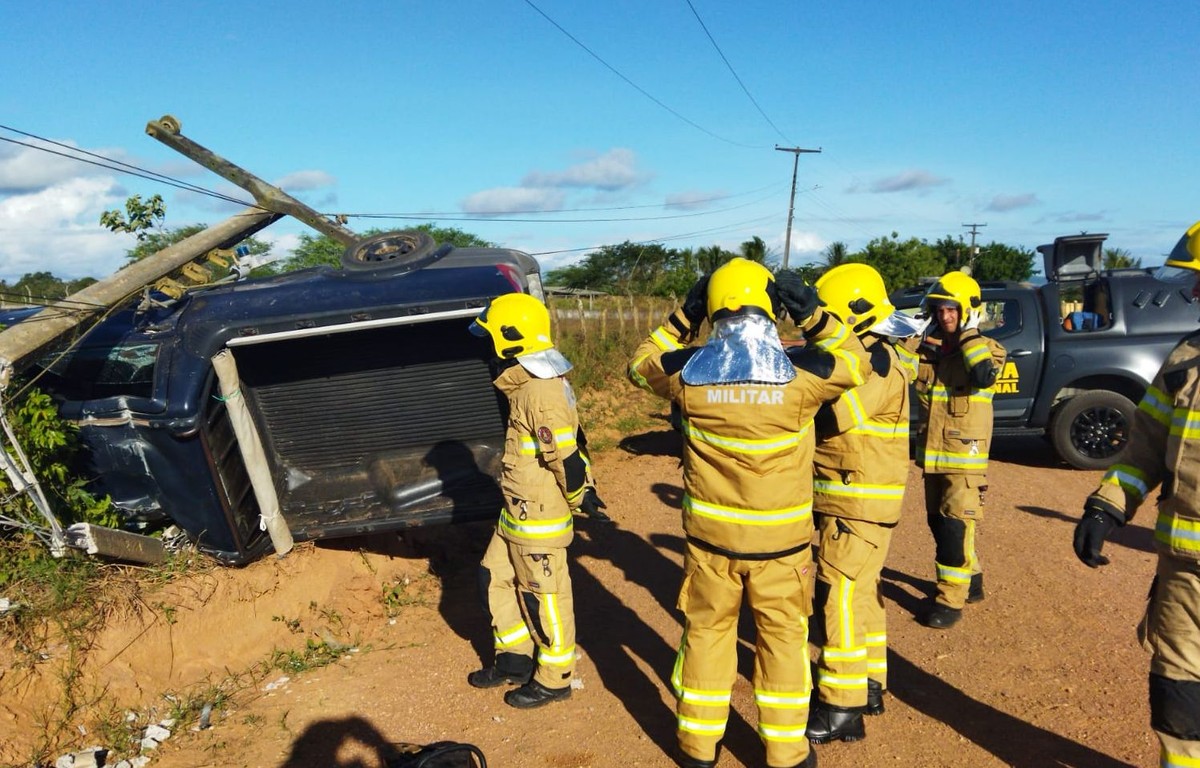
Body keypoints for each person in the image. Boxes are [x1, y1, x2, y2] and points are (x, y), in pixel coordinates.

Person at [628, 257, 870, 768]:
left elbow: (641, 362)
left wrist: (681, 317)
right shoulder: (804, 377)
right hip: (782, 550)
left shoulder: (685, 377)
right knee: (783, 643)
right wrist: (814, 314)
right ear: (772, 309)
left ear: (712, 310)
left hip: (711, 547)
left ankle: (697, 748)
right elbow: (856, 362)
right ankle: (786, 754)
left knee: (706, 638)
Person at [1073, 221, 1200, 767]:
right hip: (1184, 566)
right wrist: (1107, 506)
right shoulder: (1185, 361)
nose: (1193, 293)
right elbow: (1144, 447)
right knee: (1176, 689)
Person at [466, 291, 607, 709]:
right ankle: (513, 659)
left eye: (492, 338)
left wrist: (583, 496)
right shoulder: (526, 386)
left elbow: (565, 455)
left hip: (539, 518)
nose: (487, 348)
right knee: (492, 577)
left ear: (511, 339)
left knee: (543, 597)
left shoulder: (540, 392)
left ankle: (555, 677)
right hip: (516, 509)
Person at [804, 264, 926, 744]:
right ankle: (871, 682)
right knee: (864, 594)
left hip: (857, 503)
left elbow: (833, 417)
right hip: (859, 501)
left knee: (841, 599)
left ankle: (841, 704)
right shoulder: (883, 353)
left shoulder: (875, 363)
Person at [903, 270, 1006, 629]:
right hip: (933, 457)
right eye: (940, 310)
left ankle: (950, 599)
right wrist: (915, 337)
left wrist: (969, 332)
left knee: (954, 528)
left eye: (952, 310)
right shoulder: (931, 352)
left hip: (965, 460)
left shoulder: (987, 350)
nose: (945, 317)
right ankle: (972, 581)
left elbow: (982, 376)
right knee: (940, 523)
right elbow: (900, 370)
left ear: (969, 311)